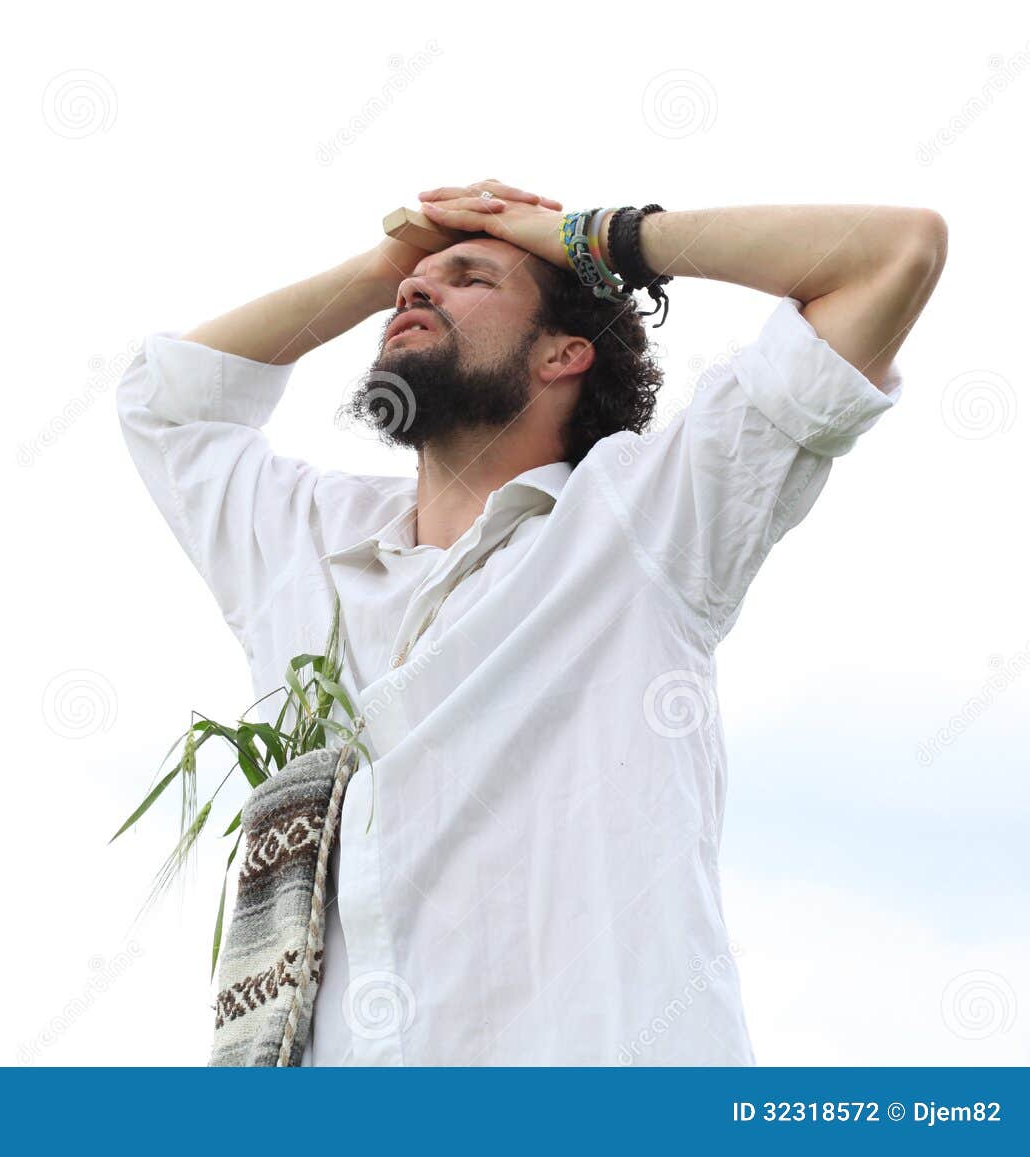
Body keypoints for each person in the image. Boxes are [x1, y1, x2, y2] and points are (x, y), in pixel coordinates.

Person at [114, 179, 947, 1065]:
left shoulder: (649, 516)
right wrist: (383, 264)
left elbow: (890, 254)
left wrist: (592, 239)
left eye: (472, 278)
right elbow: (165, 402)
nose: (415, 292)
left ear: (564, 354)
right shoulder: (306, 544)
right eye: (411, 286)